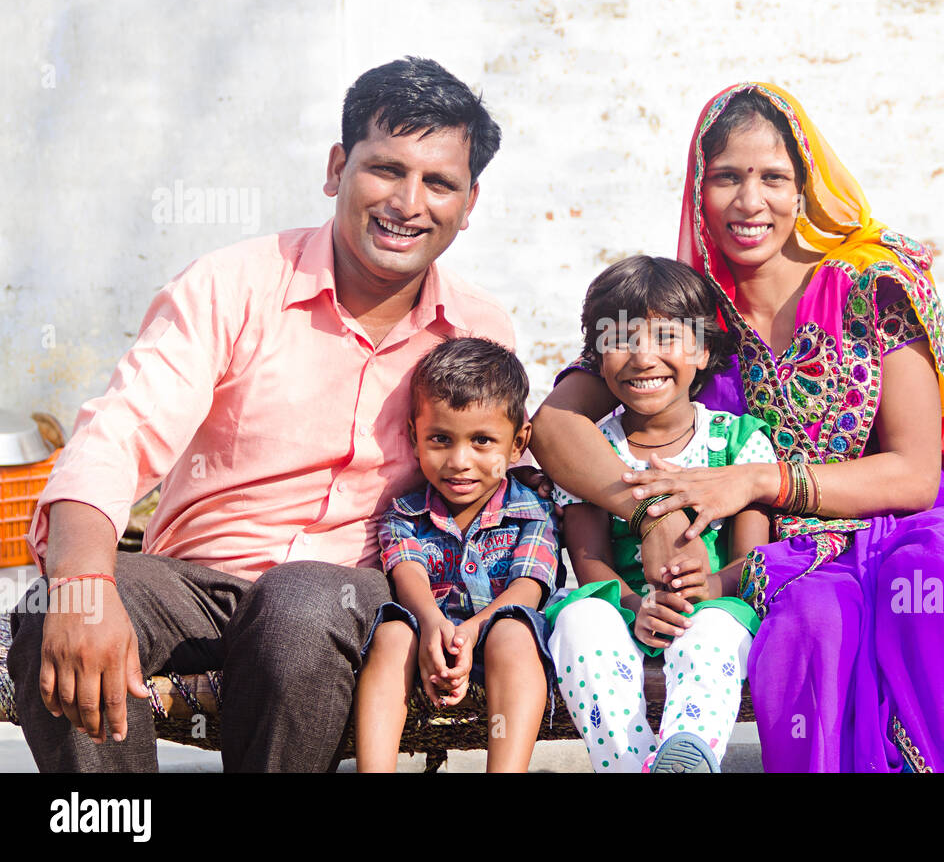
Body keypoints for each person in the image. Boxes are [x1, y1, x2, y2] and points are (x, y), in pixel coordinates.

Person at [530, 83, 944, 772]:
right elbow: (554, 429)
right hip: (776, 557)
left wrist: (753, 480)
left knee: (940, 585)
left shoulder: (874, 286)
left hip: (895, 525)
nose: (750, 202)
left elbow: (915, 475)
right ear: (698, 189)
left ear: (804, 191)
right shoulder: (685, 314)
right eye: (727, 178)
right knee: (812, 624)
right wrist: (652, 510)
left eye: (773, 178)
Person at [8, 56, 513, 771]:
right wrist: (84, 582)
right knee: (52, 607)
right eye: (385, 169)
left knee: (302, 602)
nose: (408, 202)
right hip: (194, 585)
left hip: (345, 600)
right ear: (337, 167)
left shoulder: (478, 330)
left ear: (469, 203)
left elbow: (497, 489)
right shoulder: (231, 285)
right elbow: (117, 434)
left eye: (438, 183)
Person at [544, 256, 775, 773]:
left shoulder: (739, 441)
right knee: (579, 617)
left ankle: (687, 750)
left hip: (713, 607)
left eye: (668, 337)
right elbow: (588, 560)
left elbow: (751, 561)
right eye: (622, 338)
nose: (643, 358)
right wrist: (636, 606)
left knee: (715, 629)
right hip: (622, 612)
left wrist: (706, 590)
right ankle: (628, 764)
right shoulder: (591, 451)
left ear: (705, 349)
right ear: (596, 355)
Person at [354, 337, 561, 773]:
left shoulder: (534, 512)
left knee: (513, 634)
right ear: (414, 436)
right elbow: (406, 572)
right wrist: (432, 623)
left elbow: (529, 587)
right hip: (427, 631)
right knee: (392, 635)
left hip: (500, 635)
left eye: (482, 441)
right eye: (441, 440)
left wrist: (471, 631)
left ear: (518, 442)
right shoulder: (404, 513)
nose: (460, 461)